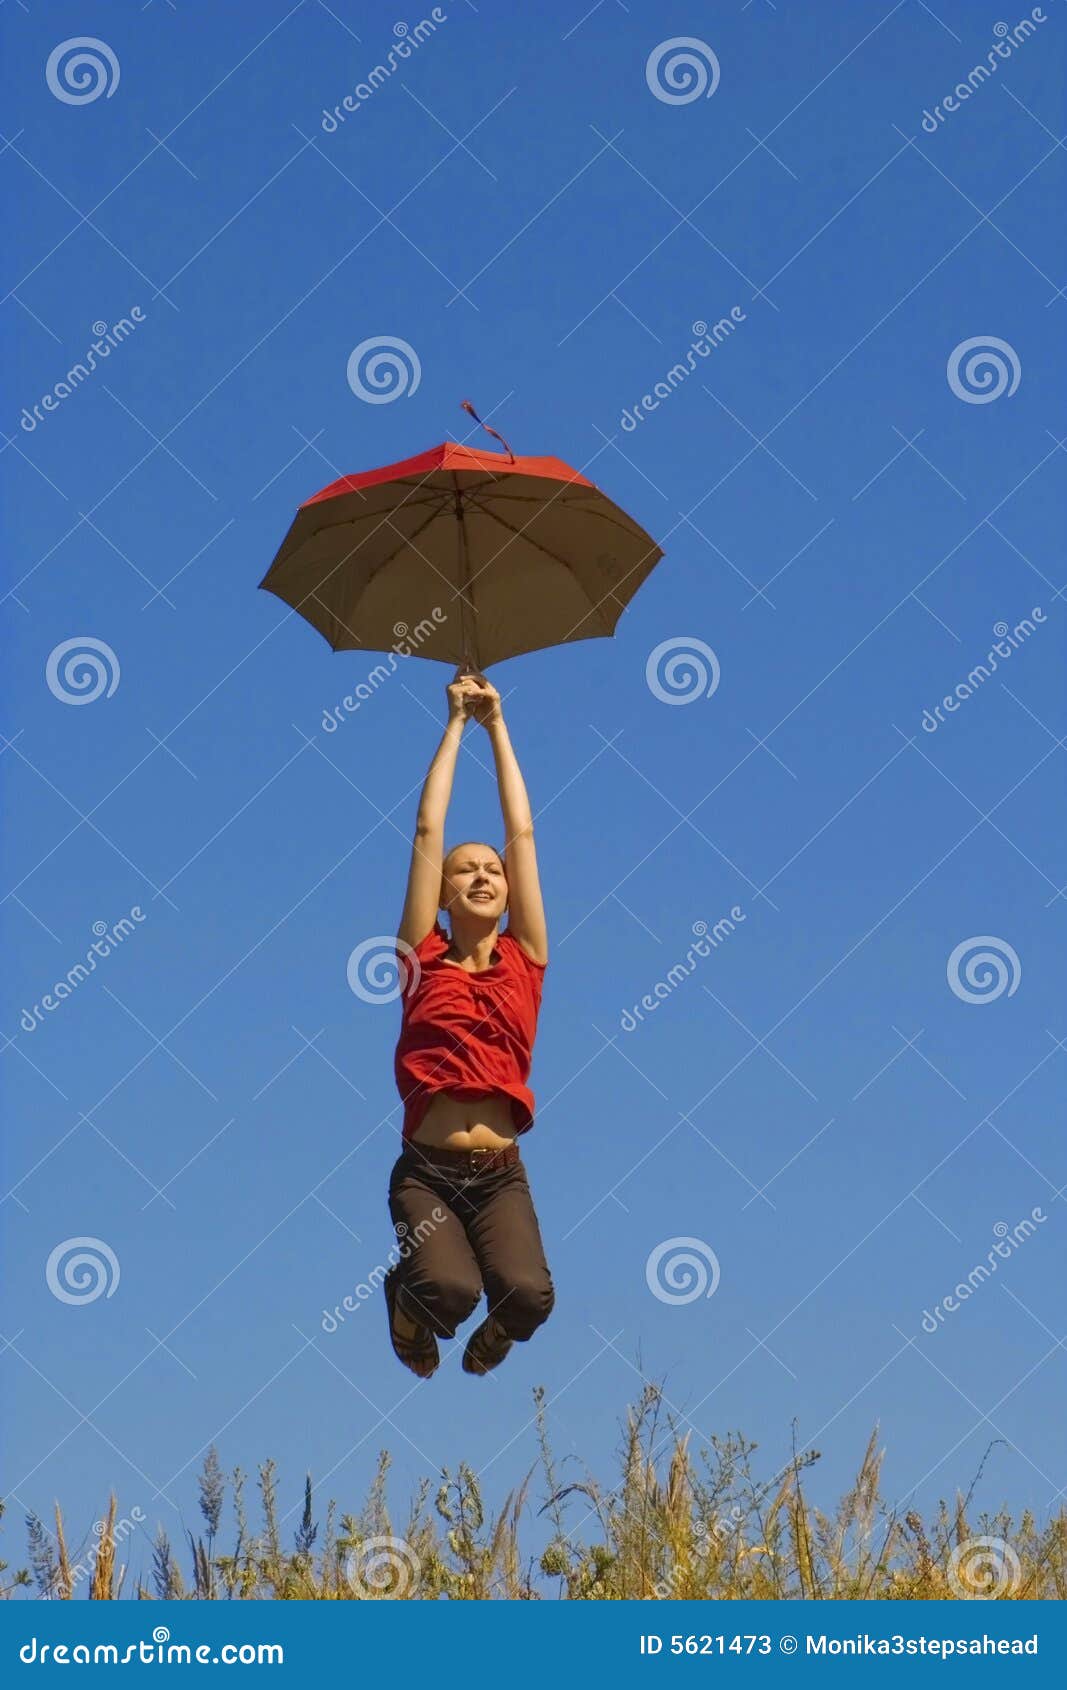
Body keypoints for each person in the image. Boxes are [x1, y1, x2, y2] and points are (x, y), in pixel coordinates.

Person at [384, 672, 554, 1378]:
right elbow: (428, 830)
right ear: (443, 895)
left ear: (508, 890)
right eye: (464, 872)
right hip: (427, 1173)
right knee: (447, 1291)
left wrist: (498, 724)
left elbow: (523, 835)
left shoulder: (526, 957)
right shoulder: (419, 958)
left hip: (499, 1176)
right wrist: (456, 723)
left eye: (491, 870)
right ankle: (404, 1304)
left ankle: (501, 1327)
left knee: (528, 1299)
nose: (482, 875)